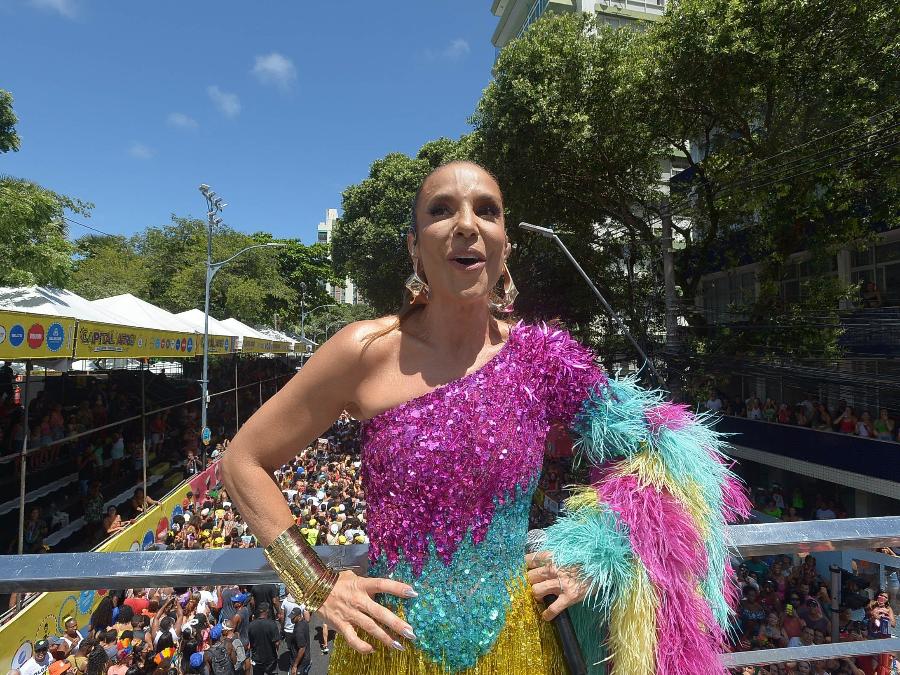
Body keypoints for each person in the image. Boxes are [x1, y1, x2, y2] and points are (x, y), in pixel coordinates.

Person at [221, 161, 749, 674]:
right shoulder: (365, 349)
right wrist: (316, 584)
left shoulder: (542, 359)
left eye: (486, 211)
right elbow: (243, 460)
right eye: (441, 210)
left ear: (504, 247)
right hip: (391, 650)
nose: (466, 225)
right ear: (414, 245)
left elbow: (668, 451)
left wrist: (598, 551)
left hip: (522, 644)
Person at [246, 603, 279, 675]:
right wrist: (276, 650)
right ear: (267, 611)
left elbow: (249, 642)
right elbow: (276, 643)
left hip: (257, 658)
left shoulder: (251, 625)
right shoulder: (272, 624)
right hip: (270, 658)